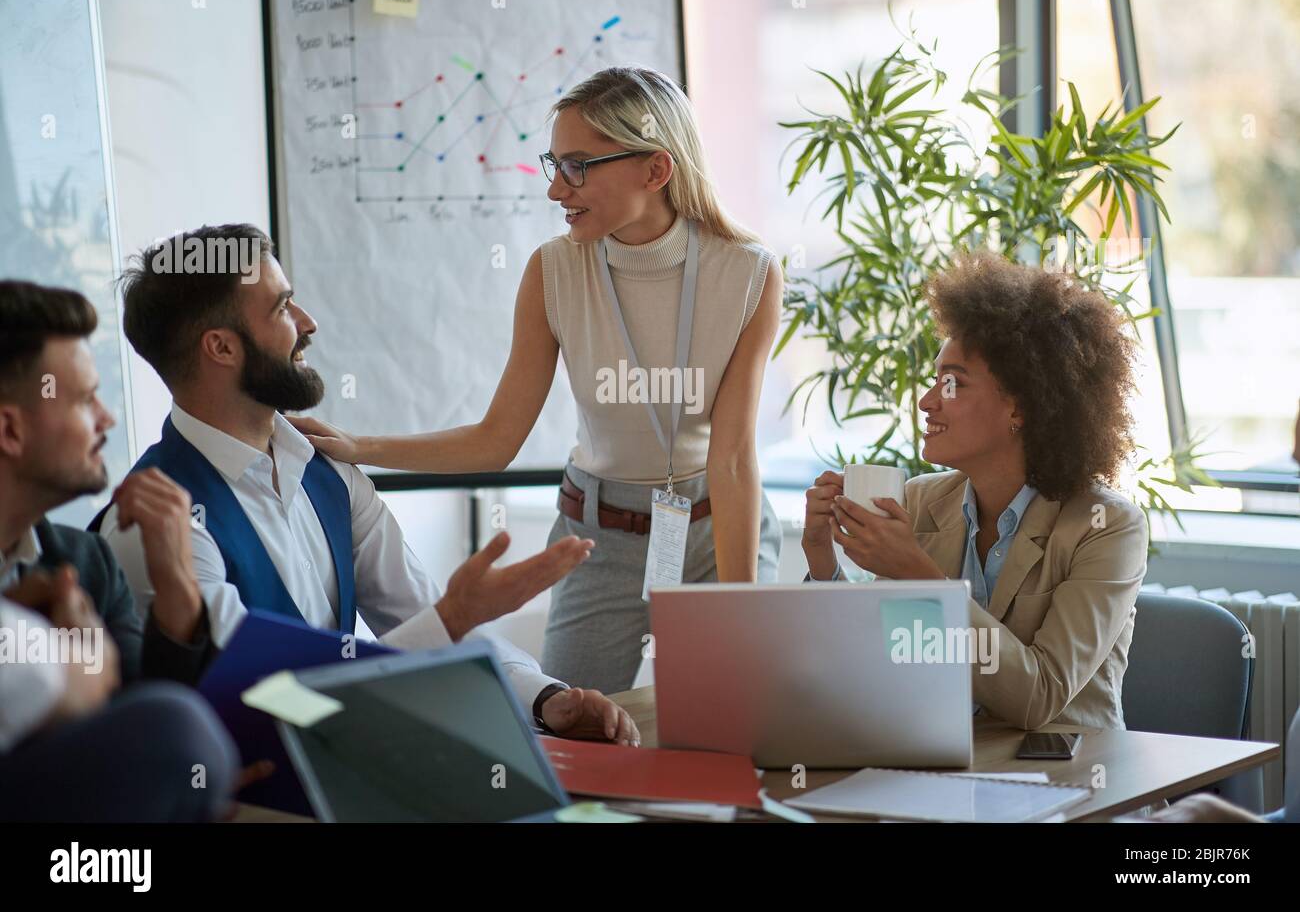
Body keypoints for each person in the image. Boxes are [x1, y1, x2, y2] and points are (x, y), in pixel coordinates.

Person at [290, 67, 785, 693]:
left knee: (724, 719)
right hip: (595, 535)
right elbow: (495, 441)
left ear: (655, 170)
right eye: (553, 163)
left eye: (577, 167)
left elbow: (734, 457)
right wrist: (362, 449)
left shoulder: (748, 274)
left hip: (718, 529)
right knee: (570, 723)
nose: (555, 190)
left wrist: (738, 608)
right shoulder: (553, 270)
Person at [98, 224, 638, 744]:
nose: (308, 323)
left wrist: (544, 700)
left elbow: (415, 613)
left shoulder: (330, 473)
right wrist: (454, 616)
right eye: (283, 308)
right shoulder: (157, 519)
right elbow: (272, 698)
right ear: (221, 348)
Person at [802, 251, 1148, 730]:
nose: (926, 402)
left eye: (952, 385)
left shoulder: (1105, 527)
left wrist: (921, 579)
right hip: (945, 768)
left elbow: (1039, 696)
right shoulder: (922, 502)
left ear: (1020, 408)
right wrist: (823, 564)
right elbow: (871, 666)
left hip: (1068, 783)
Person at [0, 280, 237, 821]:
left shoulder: (85, 562)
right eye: (85, 400)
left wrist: (176, 581)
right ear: (10, 430)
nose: (107, 419)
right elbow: (167, 738)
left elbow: (143, 726)